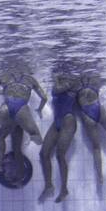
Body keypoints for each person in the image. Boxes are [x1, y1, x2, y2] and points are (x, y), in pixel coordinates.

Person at [0, 69, 46, 175]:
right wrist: (39, 110)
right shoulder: (31, 79)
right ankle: (32, 136)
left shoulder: (4, 76)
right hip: (22, 109)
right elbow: (44, 98)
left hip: (6, 108)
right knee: (38, 140)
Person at [38, 72, 80, 202]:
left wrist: (56, 77)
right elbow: (56, 89)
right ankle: (48, 185)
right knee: (43, 154)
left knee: (60, 154)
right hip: (56, 121)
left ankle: (64, 189)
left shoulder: (72, 82)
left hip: (68, 121)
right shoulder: (61, 80)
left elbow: (57, 89)